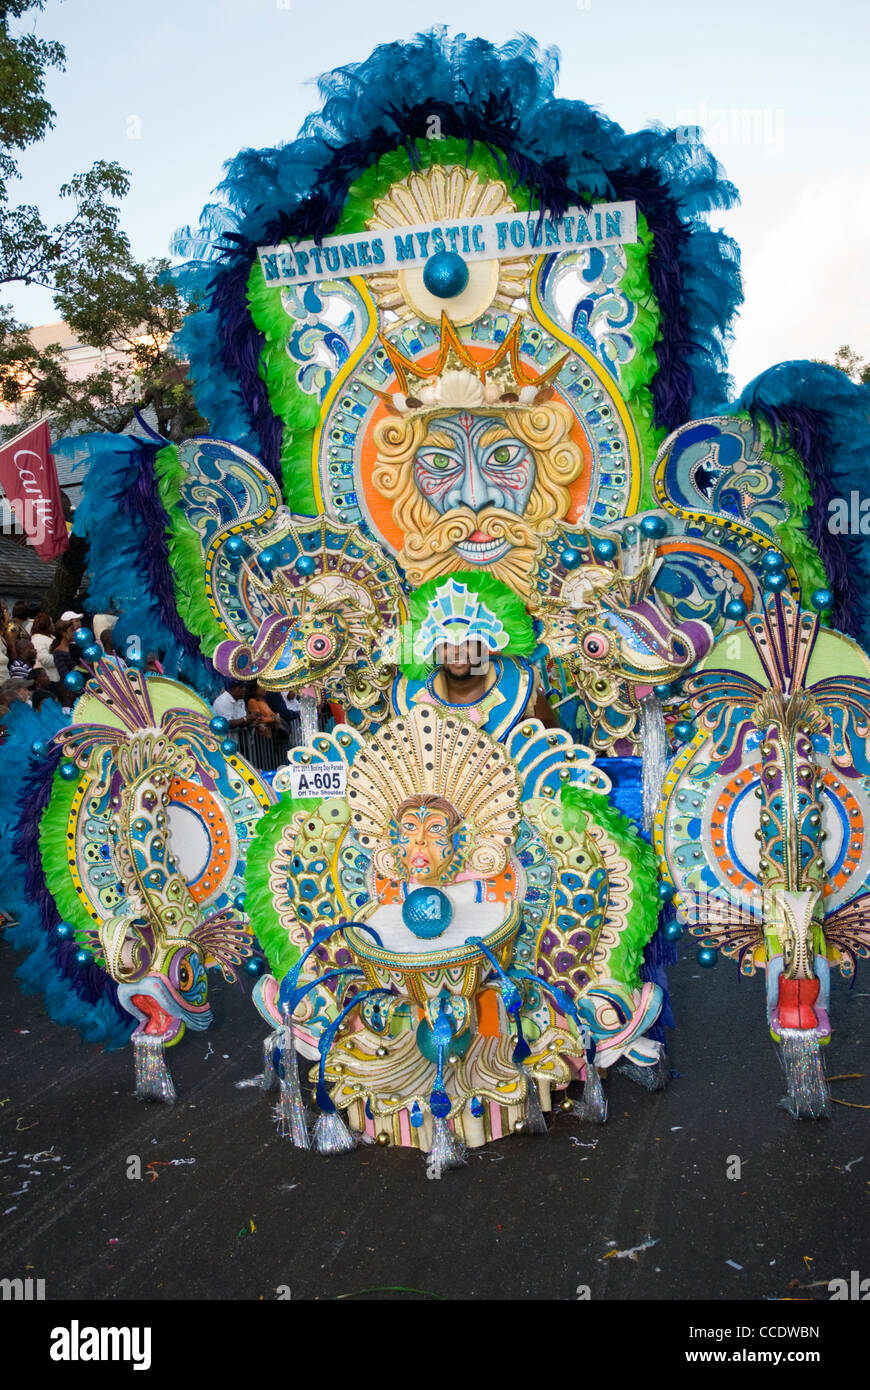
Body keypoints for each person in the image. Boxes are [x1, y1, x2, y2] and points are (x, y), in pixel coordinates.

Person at [30, 612, 60, 682]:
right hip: (47, 679)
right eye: (51, 623)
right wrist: (61, 659)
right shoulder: (37, 639)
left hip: (56, 677)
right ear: (45, 625)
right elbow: (45, 659)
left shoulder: (52, 637)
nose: (53, 625)